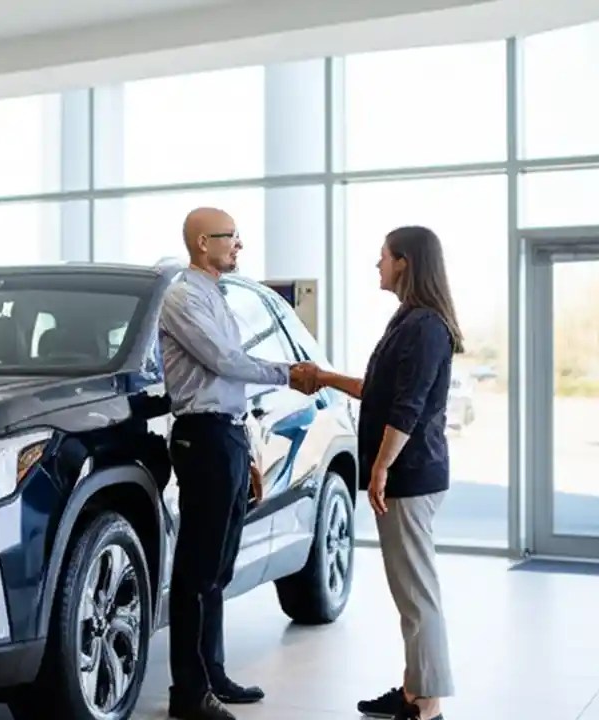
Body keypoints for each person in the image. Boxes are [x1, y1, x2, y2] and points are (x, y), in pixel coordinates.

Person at [158, 207, 319, 720]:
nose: (239, 247)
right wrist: (288, 373)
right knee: (196, 571)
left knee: (219, 568)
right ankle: (188, 693)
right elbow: (224, 361)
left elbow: (231, 386)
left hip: (225, 435)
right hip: (201, 438)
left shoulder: (216, 295)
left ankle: (213, 674)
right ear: (203, 243)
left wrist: (246, 447)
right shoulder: (184, 297)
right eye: (232, 238)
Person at [308, 225, 463, 720]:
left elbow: (407, 407)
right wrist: (324, 377)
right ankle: (414, 689)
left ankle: (427, 703)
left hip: (409, 474)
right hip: (407, 472)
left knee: (417, 595)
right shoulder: (409, 321)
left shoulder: (424, 326)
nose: (377, 265)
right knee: (410, 592)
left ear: (405, 263)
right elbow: (378, 390)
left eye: (383, 257)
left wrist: (379, 468)